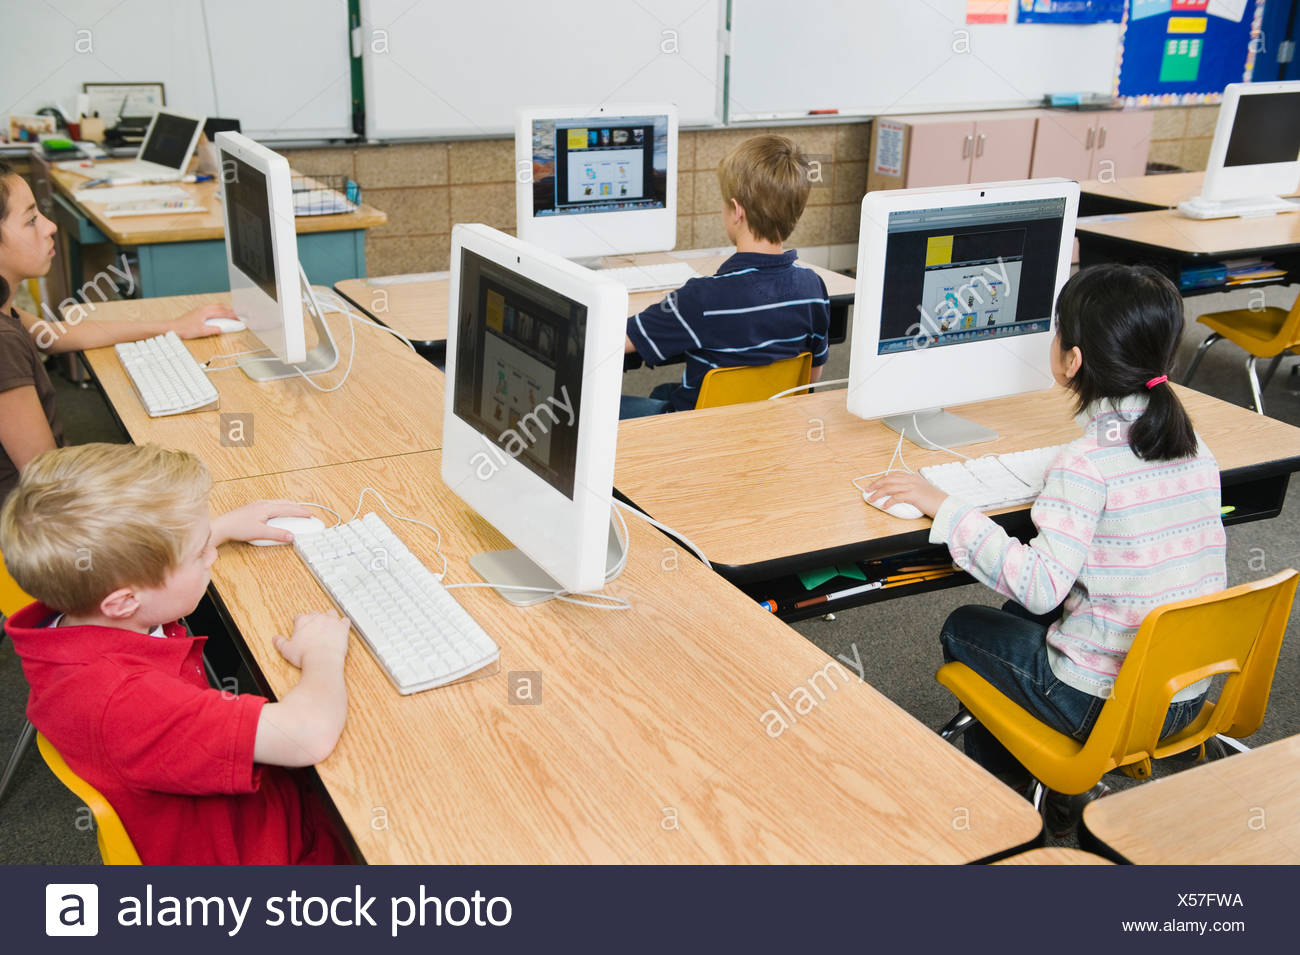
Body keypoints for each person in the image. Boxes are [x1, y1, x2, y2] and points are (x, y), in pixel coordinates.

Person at [866, 264, 1226, 828]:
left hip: (1106, 705)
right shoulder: (1191, 443)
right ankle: (1047, 790)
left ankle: (1011, 803)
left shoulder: (1086, 464)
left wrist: (948, 507)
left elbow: (1040, 588)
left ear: (1072, 359)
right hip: (1184, 698)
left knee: (967, 624)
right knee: (1013, 616)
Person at [1, 442, 353, 864]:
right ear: (123, 601)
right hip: (258, 857)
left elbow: (146, 581)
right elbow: (307, 736)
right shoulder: (126, 701)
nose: (214, 555)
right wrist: (323, 652)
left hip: (232, 805)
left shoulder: (79, 619)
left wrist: (211, 529)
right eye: (200, 552)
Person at [0, 160, 236, 500]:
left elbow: (59, 336)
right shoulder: (3, 344)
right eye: (31, 220)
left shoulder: (5, 310)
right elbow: (45, 480)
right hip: (29, 524)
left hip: (43, 491)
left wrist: (173, 326)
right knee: (192, 475)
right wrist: (137, 465)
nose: (50, 226)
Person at [620, 134, 830, 417]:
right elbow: (810, 379)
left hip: (700, 432)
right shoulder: (813, 287)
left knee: (596, 411)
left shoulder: (701, 298)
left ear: (737, 211)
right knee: (664, 392)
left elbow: (619, 340)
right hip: (772, 426)